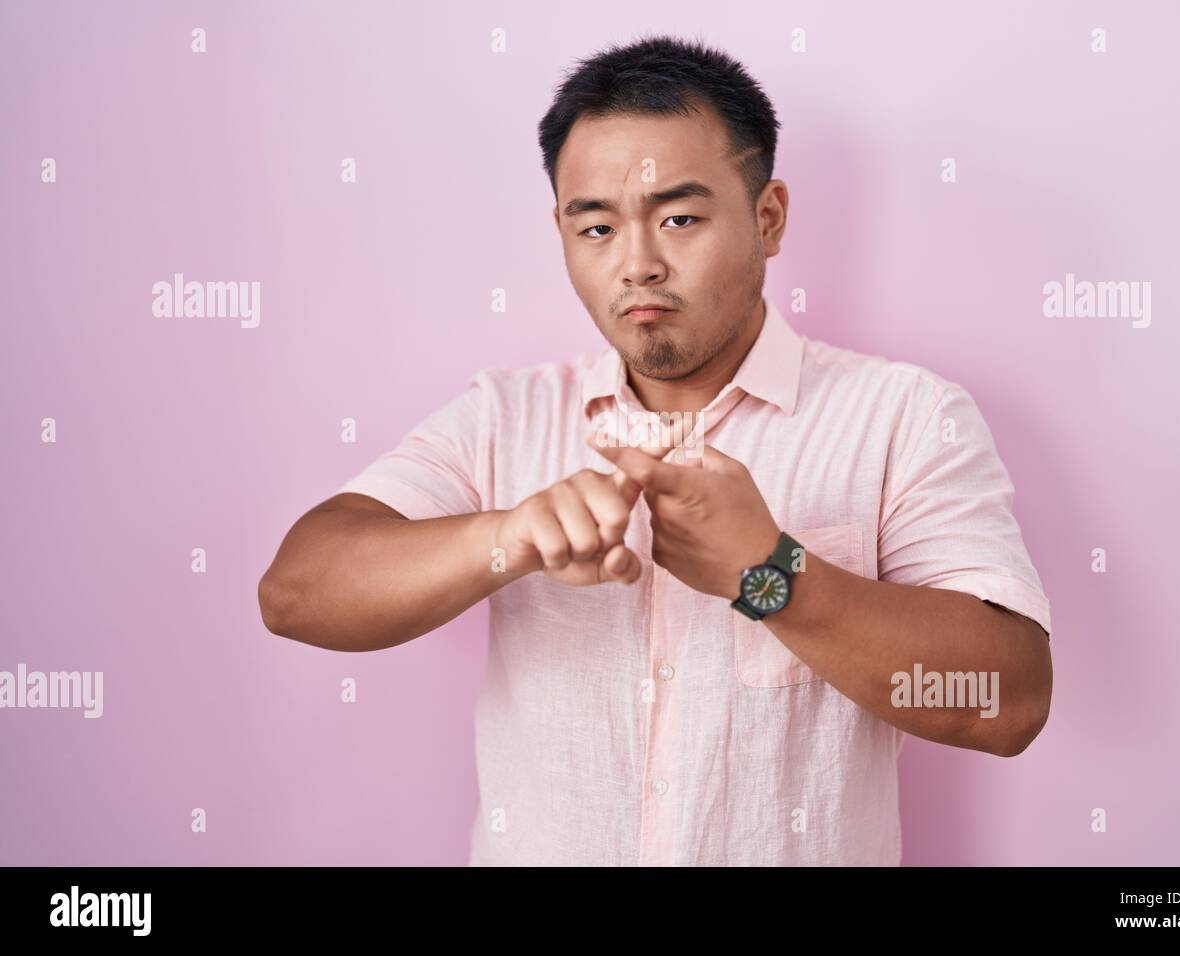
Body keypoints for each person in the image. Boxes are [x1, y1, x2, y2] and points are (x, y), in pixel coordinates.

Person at [258, 35, 1053, 866]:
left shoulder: (905, 418)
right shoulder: (504, 417)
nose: (636, 265)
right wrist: (509, 536)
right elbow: (296, 591)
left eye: (679, 218)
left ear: (768, 217)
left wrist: (771, 574)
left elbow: (1009, 700)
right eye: (595, 227)